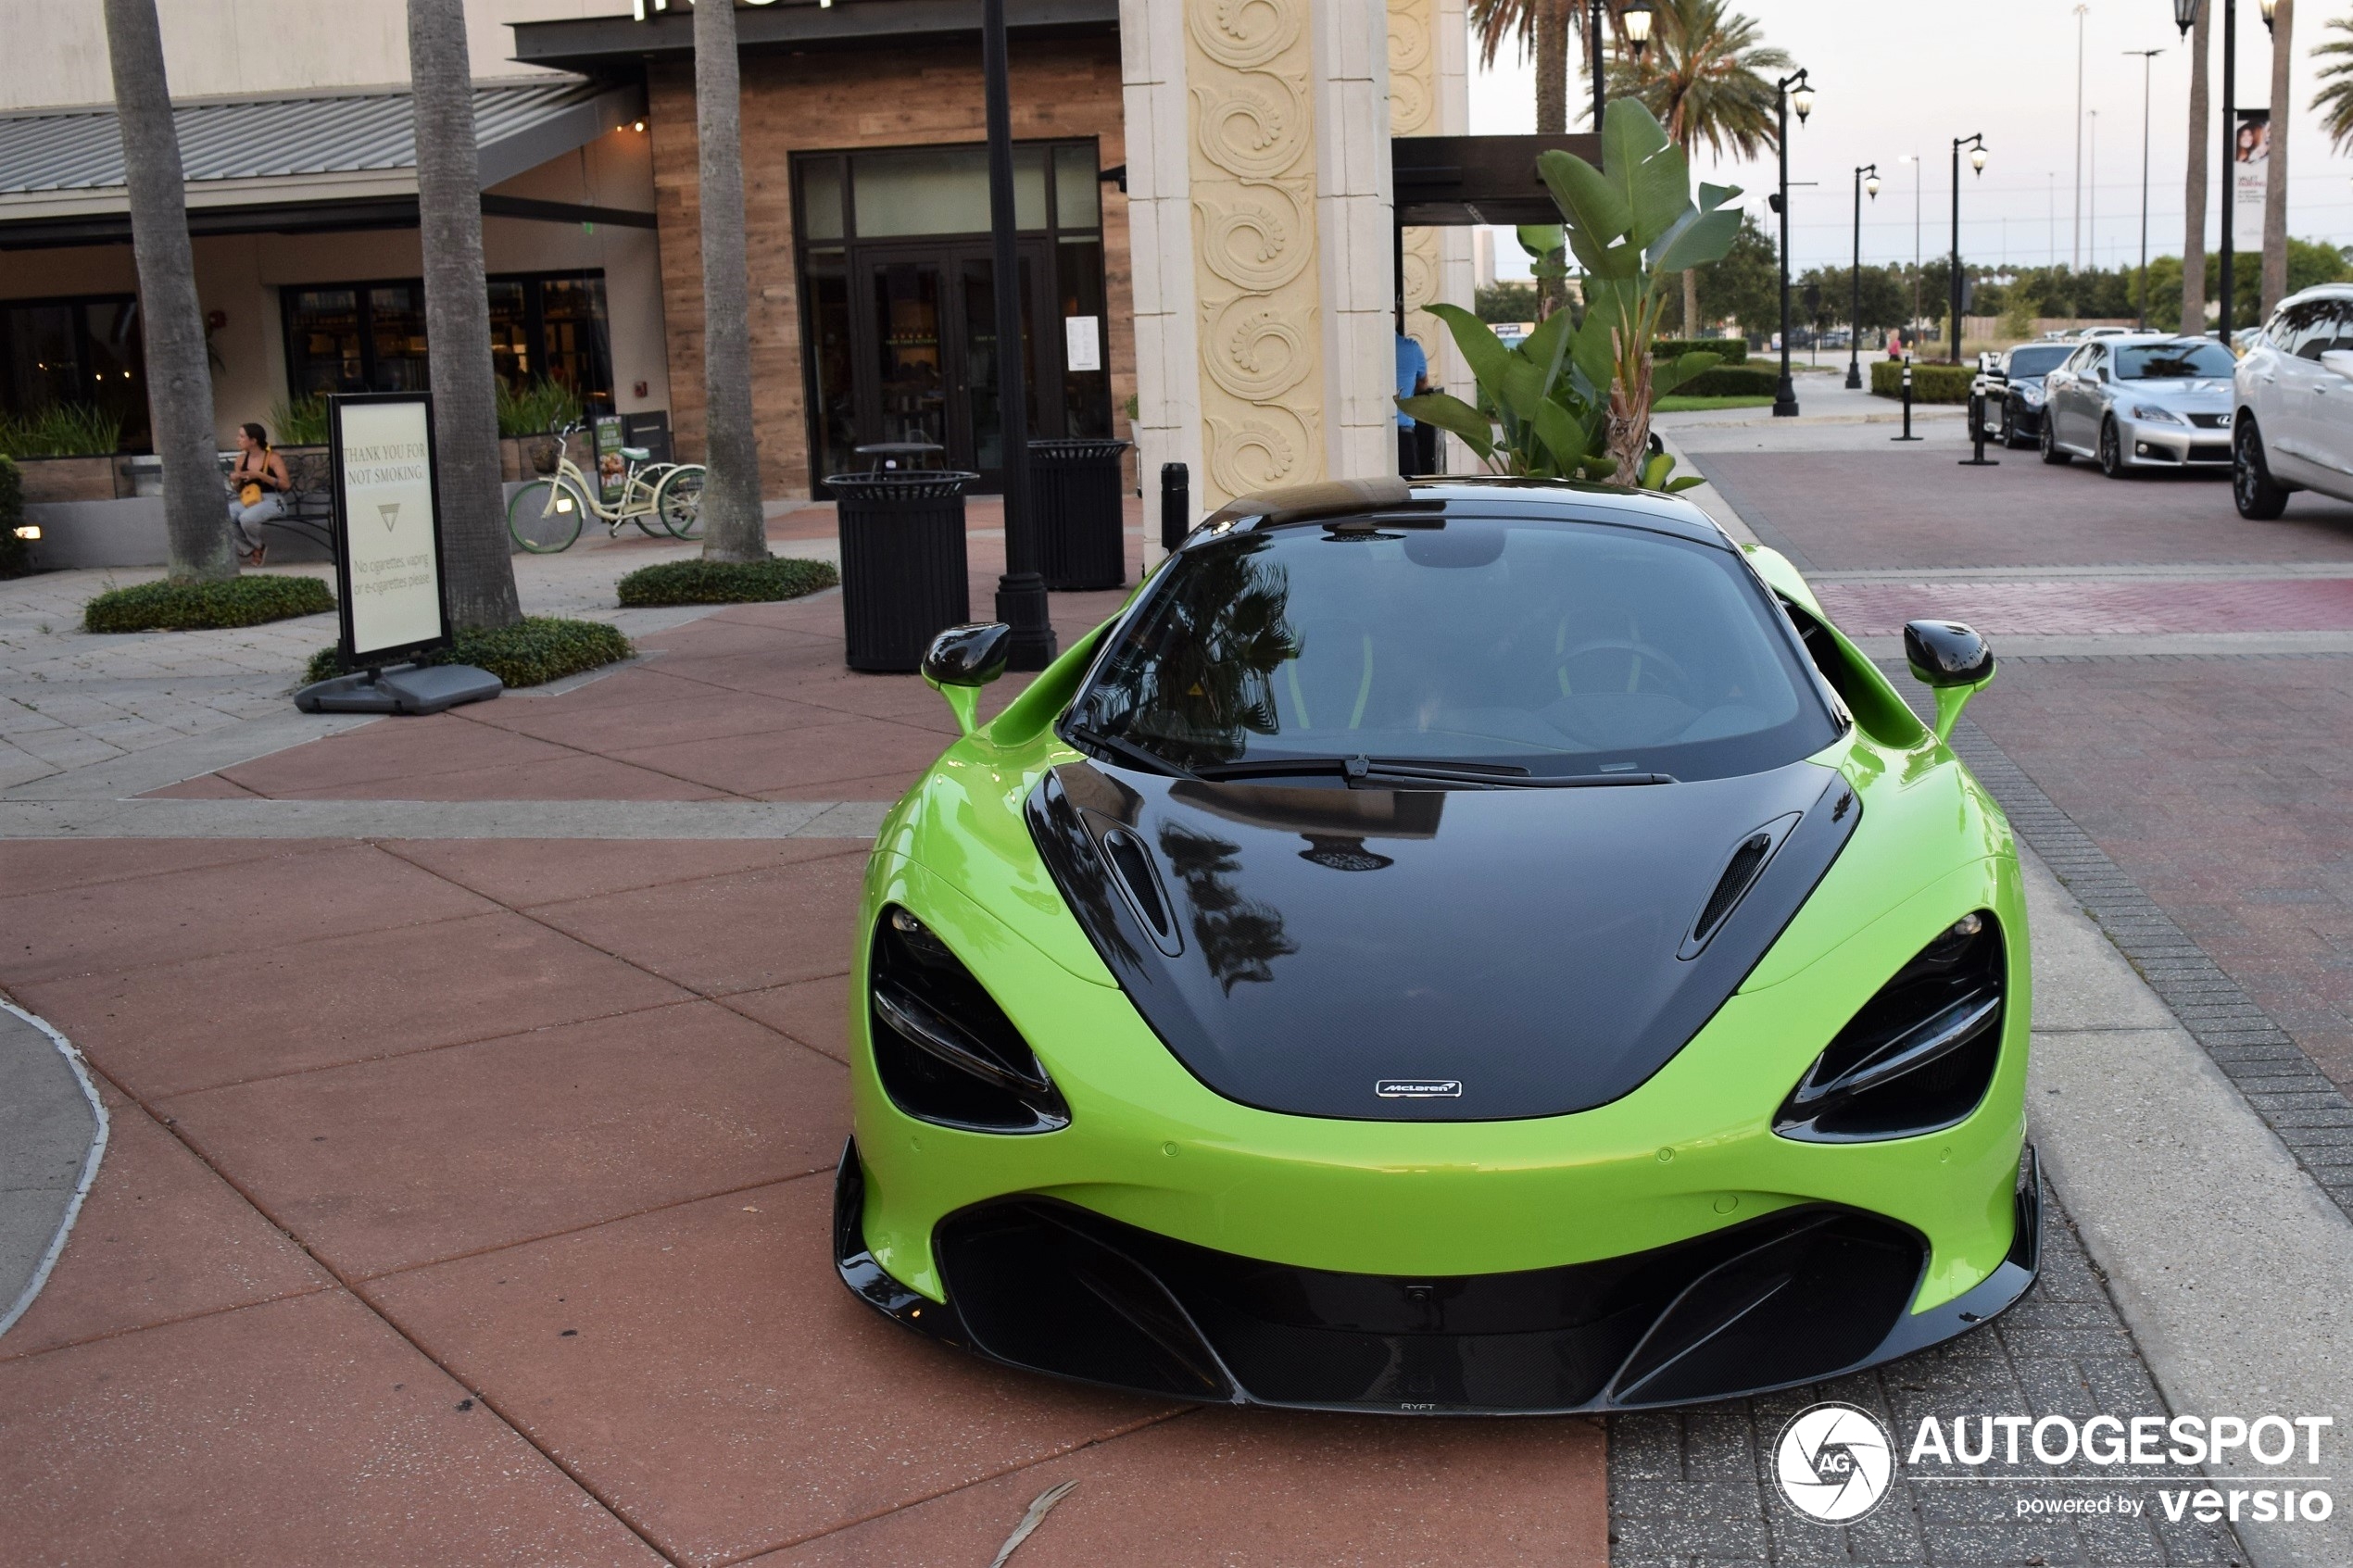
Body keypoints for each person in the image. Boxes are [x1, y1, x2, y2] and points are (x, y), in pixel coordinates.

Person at [225, 421, 290, 566]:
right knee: (223, 516)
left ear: (253, 441)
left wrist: (260, 475)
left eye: (242, 436)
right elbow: (239, 489)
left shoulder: (272, 458)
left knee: (246, 518)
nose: (238, 439)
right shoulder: (241, 459)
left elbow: (285, 484)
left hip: (273, 501)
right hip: (249, 500)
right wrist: (235, 480)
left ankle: (256, 548)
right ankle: (255, 548)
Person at [1395, 330, 1429, 475]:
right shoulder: (1412, 348)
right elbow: (1423, 384)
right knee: (1409, 489)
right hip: (1404, 436)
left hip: (1370, 439)